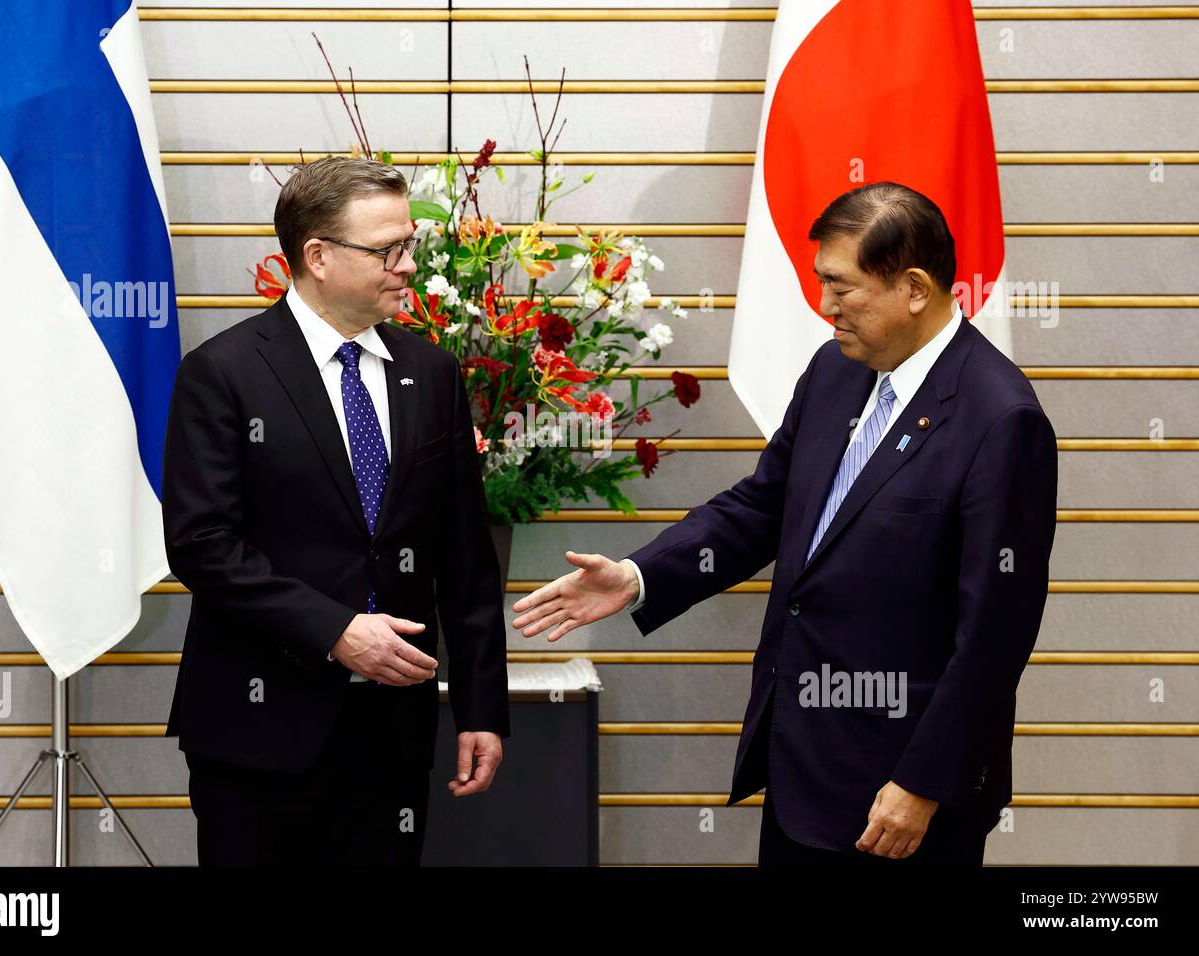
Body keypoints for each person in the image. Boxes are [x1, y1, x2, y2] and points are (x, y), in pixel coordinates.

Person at [512, 182, 1057, 866]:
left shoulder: (1001, 419)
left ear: (914, 288)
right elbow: (763, 506)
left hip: (904, 792)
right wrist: (639, 575)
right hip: (802, 765)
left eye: (841, 286)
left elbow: (995, 638)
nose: (824, 307)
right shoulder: (837, 370)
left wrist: (922, 782)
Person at [163, 156, 509, 866]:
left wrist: (480, 707)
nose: (408, 265)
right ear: (316, 256)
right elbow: (201, 544)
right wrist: (336, 631)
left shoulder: (432, 373)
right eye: (388, 249)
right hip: (260, 730)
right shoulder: (223, 373)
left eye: (410, 245)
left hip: (393, 730)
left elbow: (466, 557)